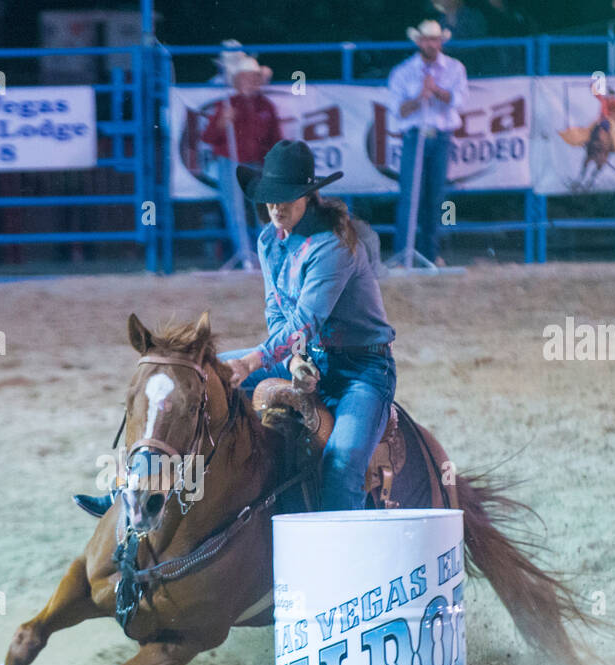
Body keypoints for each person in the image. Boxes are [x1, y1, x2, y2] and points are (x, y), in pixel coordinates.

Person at [74, 141, 397, 517]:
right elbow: (277, 312)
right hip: (308, 357)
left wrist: (252, 361)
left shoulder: (333, 247)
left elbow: (306, 320)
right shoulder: (269, 241)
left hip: (363, 371)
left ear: (309, 196)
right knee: (189, 386)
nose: (276, 207)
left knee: (342, 464)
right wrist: (293, 361)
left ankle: (344, 557)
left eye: (286, 198)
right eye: (270, 198)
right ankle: (129, 489)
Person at [387, 20, 468, 268]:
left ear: (440, 42)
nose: (431, 44)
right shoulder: (403, 71)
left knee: (435, 197)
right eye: (426, 40)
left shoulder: (455, 69)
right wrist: (418, 97)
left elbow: (459, 101)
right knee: (410, 195)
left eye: (435, 40)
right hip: (414, 135)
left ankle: (430, 255)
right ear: (419, 42)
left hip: (440, 136)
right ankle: (404, 254)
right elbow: (397, 109)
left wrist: (437, 91)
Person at [199, 42, 284, 270]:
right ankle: (244, 255)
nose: (251, 83)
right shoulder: (227, 104)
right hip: (231, 162)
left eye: (255, 78)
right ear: (237, 81)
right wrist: (221, 123)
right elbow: (207, 137)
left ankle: (265, 256)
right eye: (246, 78)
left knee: (262, 211)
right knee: (235, 209)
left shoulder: (266, 106)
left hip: (258, 163)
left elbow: (276, 137)